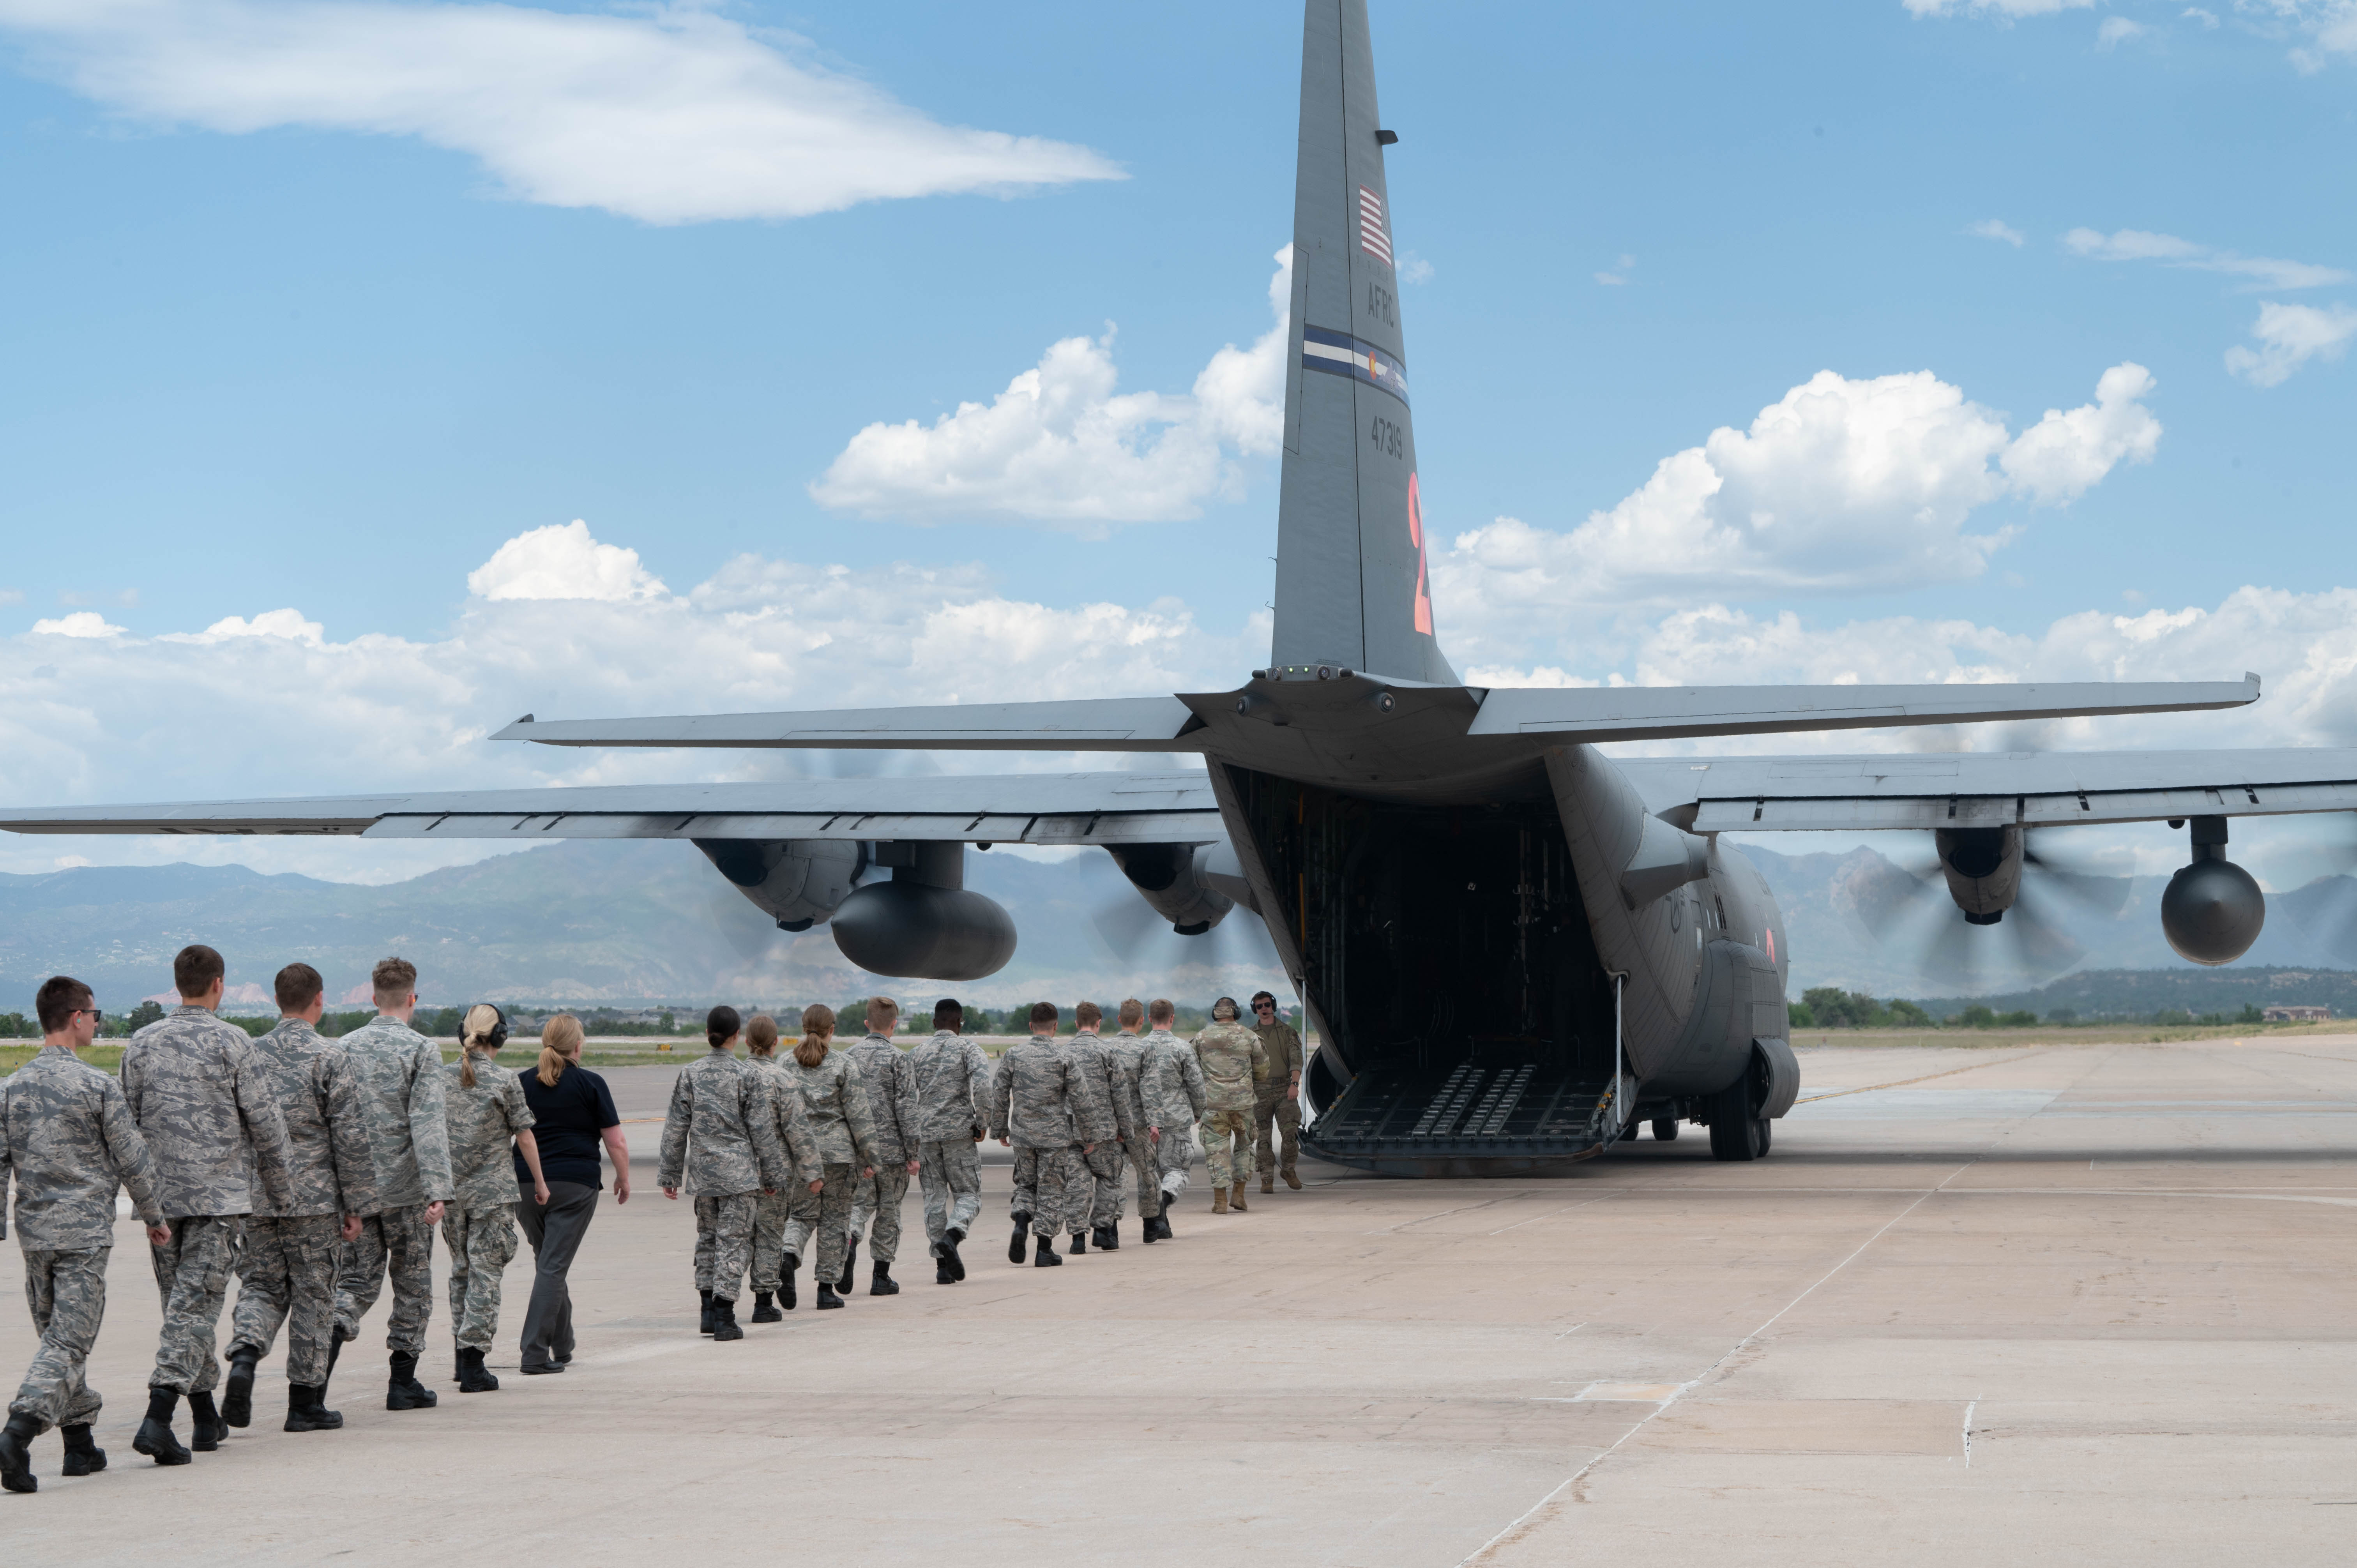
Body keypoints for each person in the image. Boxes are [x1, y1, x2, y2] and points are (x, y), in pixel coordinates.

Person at [119, 943, 297, 1464]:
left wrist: (139, 1193)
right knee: (194, 1310)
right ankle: (158, 1415)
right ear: (218, 984)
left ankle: (204, 1417)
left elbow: (124, 1127)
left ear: (178, 984)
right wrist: (283, 1194)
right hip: (217, 1199)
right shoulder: (234, 1042)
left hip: (162, 1202)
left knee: (182, 1306)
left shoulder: (143, 1042)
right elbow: (267, 1126)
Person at [0, 976, 168, 1495]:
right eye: (95, 1014)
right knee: (70, 1342)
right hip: (83, 1236)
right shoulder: (97, 1085)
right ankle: (18, 1433)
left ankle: (79, 1446)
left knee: (59, 1340)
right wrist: (154, 1215)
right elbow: (132, 1158)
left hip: (35, 1235)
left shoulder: (12, 1087)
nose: (98, 1023)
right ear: (76, 1017)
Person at [221, 962, 375, 1437]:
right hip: (314, 1200)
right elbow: (349, 1137)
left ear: (276, 999)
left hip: (259, 1197)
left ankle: (245, 1355)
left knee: (262, 1285)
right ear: (320, 1000)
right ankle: (304, 1401)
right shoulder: (330, 1057)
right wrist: (358, 1205)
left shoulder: (250, 1054)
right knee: (314, 1294)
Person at [331, 956, 455, 1414]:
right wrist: (439, 1187)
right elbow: (427, 1122)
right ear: (412, 998)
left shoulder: (342, 1046)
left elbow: (335, 1124)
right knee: (413, 1284)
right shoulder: (422, 1049)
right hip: (407, 1193)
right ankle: (403, 1382)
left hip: (358, 1193)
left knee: (353, 1286)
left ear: (372, 996)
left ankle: (314, 1381)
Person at [656, 1006, 792, 1341]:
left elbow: (676, 1128)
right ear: (737, 1037)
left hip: (704, 1177)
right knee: (733, 1243)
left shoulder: (690, 1074)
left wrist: (670, 1175)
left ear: (708, 1034)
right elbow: (762, 1131)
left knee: (708, 1239)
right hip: (739, 1177)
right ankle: (724, 1316)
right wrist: (773, 1176)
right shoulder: (747, 1075)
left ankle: (706, 1309)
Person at [512, 1014, 628, 1375]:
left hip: (526, 1184)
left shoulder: (521, 1082)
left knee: (548, 1263)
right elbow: (616, 1140)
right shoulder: (591, 1083)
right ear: (578, 1045)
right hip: (574, 1186)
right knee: (552, 1267)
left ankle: (562, 1345)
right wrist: (624, 1178)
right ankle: (533, 1353)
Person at [441, 1005, 548, 1393]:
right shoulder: (505, 1081)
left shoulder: (439, 1077)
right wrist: (539, 1182)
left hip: (452, 1195)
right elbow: (524, 1135)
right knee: (485, 1275)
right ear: (500, 1037)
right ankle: (473, 1361)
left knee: (461, 1271)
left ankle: (460, 1352)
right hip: (492, 1194)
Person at [986, 1003, 1114, 1268]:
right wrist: (1090, 1135)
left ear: (1031, 1026)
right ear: (1056, 1026)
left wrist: (999, 1129)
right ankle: (1044, 1249)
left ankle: (1022, 1220)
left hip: (1023, 1135)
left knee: (1025, 1184)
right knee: (1052, 1190)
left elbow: (998, 1094)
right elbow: (1082, 1100)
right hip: (1054, 1137)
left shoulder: (1013, 1055)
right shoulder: (1064, 1057)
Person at [776, 1005, 881, 1311]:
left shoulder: (785, 1064)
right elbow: (860, 1117)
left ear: (804, 1026)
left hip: (800, 1157)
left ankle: (789, 1256)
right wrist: (872, 1158)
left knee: (800, 1216)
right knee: (836, 1221)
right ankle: (825, 1289)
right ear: (831, 1029)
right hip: (839, 1156)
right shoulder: (844, 1065)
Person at [902, 999, 992, 1284]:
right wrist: (983, 1122)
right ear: (960, 1023)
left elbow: (904, 1098)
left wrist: (910, 1136)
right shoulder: (969, 1049)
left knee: (934, 1197)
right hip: (959, 1135)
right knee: (968, 1195)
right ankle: (953, 1236)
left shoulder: (916, 1054)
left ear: (934, 1023)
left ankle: (941, 1267)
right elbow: (983, 1087)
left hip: (926, 1134)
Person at [741, 1015, 820, 1321]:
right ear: (776, 1043)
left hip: (738, 1172)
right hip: (776, 1172)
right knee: (771, 1236)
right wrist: (813, 1172)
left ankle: (722, 1301)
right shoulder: (783, 1079)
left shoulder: (735, 1074)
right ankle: (763, 1302)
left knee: (737, 1236)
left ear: (746, 1042)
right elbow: (798, 1131)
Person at [841, 998, 921, 1297]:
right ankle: (881, 1277)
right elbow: (907, 1110)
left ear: (866, 1024)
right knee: (889, 1212)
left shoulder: (848, 1058)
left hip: (859, 1151)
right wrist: (913, 1154)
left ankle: (849, 1242)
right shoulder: (900, 1059)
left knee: (858, 1207)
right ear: (894, 1024)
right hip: (892, 1152)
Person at [1059, 1002, 1134, 1254]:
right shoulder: (1107, 1052)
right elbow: (1120, 1096)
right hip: (1104, 1132)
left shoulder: (1063, 1052)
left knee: (1077, 1183)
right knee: (1111, 1178)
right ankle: (1103, 1230)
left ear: (1077, 1023)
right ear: (1099, 1023)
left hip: (1071, 1131)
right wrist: (1126, 1130)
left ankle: (1078, 1238)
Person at [1190, 996, 1268, 1214]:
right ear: (1236, 1012)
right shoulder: (1250, 1037)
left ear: (1215, 1013)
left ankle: (1220, 1201)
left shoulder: (1201, 1038)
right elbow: (1262, 1071)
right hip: (1243, 1105)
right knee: (1245, 1147)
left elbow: (1192, 1072)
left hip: (1214, 1105)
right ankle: (1240, 1196)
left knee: (1217, 1151)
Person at [1101, 1000, 1168, 1244]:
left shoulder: (1105, 1048)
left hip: (1111, 1125)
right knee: (1147, 1173)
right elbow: (1150, 1088)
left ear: (1119, 1020)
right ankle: (1150, 1227)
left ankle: (1111, 1229)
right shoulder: (1144, 1049)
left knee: (1114, 1176)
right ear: (1142, 1021)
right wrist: (1155, 1122)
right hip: (1139, 1124)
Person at [1139, 999, 1205, 1228]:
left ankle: (1160, 1225)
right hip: (1175, 1120)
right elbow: (1196, 1085)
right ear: (1172, 1018)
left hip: (1147, 1122)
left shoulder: (1140, 1048)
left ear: (1149, 1019)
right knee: (1177, 1170)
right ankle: (1163, 1204)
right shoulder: (1182, 1048)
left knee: (1153, 1174)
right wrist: (1198, 1112)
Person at [1247, 992, 1306, 1194]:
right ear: (1255, 1010)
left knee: (1291, 1132)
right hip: (1260, 1091)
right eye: (1259, 1006)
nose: (1264, 1009)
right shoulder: (1249, 1036)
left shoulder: (1288, 1032)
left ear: (1272, 1005)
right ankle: (1266, 1177)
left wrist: (1295, 1084)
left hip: (1284, 1089)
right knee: (1263, 1137)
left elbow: (1296, 1059)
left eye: (1266, 1005)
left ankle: (1289, 1170)